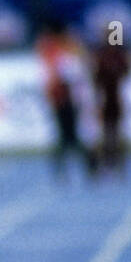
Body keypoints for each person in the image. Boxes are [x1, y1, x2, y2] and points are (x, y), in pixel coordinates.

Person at [35, 17, 96, 179]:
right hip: (59, 96)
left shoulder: (71, 46)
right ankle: (66, 168)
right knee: (65, 134)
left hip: (73, 96)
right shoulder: (50, 47)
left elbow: (79, 69)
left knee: (75, 134)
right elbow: (49, 72)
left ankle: (88, 166)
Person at [91, 22, 131, 176]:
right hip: (105, 98)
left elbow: (127, 74)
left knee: (119, 134)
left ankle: (121, 167)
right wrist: (96, 100)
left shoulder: (121, 54)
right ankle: (104, 166)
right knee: (103, 134)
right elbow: (95, 78)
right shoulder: (100, 54)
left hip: (118, 97)